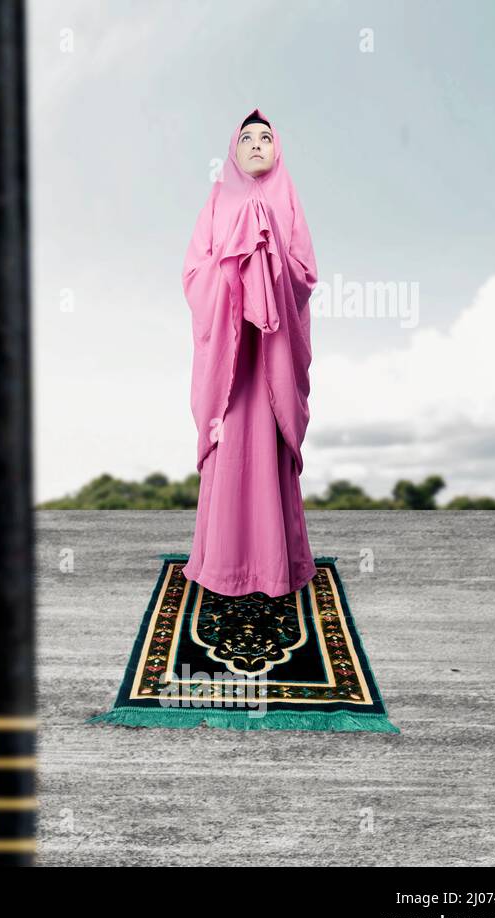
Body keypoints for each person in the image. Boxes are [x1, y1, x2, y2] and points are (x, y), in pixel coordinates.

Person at [180, 108, 319, 598]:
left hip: (273, 360)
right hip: (232, 361)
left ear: (277, 149)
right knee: (232, 442)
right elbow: (194, 274)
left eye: (266, 137)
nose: (257, 144)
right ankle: (223, 566)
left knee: (269, 445)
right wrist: (235, 270)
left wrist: (268, 255)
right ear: (233, 151)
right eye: (246, 138)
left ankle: (276, 567)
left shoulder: (289, 201)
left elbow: (304, 275)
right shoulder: (217, 200)